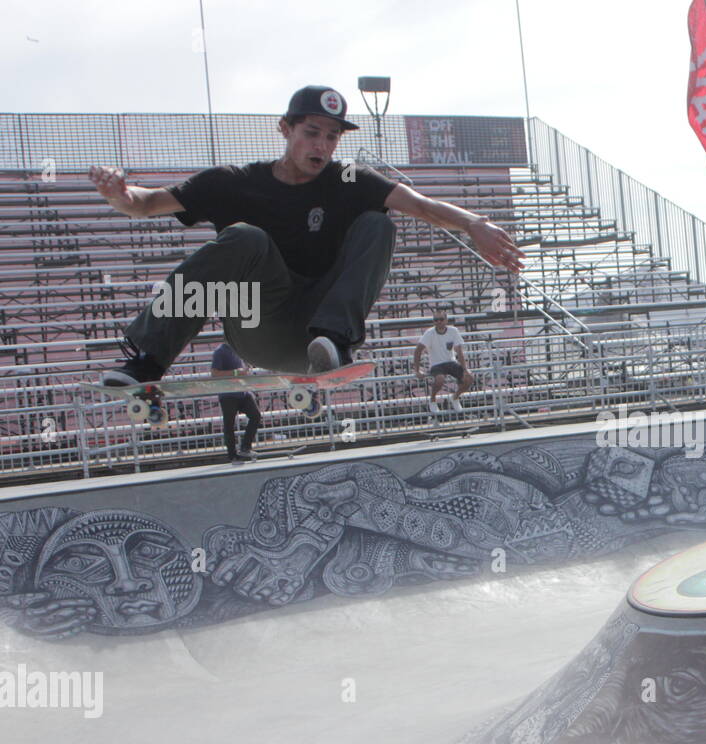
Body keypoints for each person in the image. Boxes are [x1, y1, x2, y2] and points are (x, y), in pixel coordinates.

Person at [89, 85, 523, 388]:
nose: (322, 147)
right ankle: (148, 360)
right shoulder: (236, 182)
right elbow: (148, 203)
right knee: (246, 238)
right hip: (259, 325)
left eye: (332, 137)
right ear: (286, 129)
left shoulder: (347, 177)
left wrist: (473, 223)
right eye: (311, 133)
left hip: (317, 335)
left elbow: (420, 205)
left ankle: (334, 342)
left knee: (378, 223)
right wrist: (121, 195)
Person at [413, 310, 474, 413]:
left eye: (441, 319)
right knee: (440, 379)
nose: (438, 322)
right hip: (436, 364)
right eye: (436, 320)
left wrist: (465, 369)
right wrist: (417, 370)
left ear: (446, 320)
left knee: (469, 378)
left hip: (451, 362)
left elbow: (459, 351)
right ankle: (432, 399)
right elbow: (418, 350)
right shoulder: (429, 333)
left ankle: (455, 397)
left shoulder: (453, 331)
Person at [210, 342, 261, 463]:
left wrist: (246, 369)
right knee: (229, 424)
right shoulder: (220, 351)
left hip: (242, 392)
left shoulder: (238, 349)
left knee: (256, 416)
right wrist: (236, 372)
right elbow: (214, 373)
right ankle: (232, 455)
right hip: (227, 394)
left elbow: (242, 369)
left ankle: (245, 447)